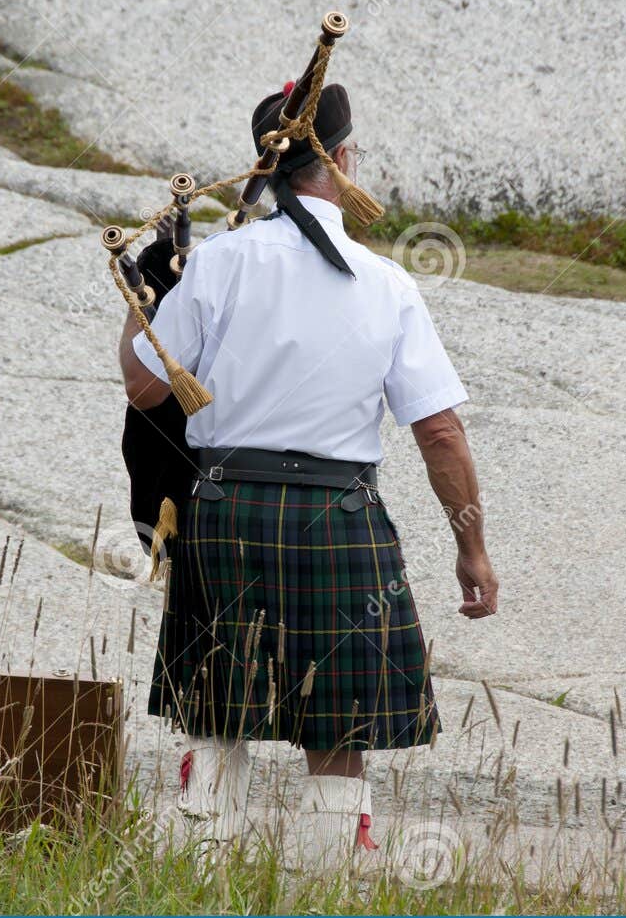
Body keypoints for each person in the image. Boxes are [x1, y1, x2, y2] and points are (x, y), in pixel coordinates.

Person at [117, 82, 497, 868]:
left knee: (219, 718)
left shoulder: (218, 263)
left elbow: (145, 385)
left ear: (266, 166)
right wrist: (472, 548)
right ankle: (328, 901)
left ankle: (200, 897)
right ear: (343, 158)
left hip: (225, 509)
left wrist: (142, 295)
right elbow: (441, 432)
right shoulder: (389, 285)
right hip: (340, 516)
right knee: (340, 727)